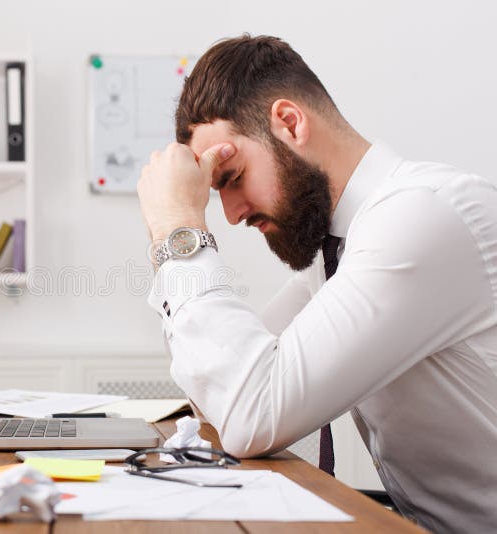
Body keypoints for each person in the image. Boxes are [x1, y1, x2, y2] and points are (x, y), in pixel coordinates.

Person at [137, 34, 497, 533]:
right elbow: (217, 397)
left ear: (289, 123)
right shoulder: (336, 251)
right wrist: (173, 234)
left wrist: (178, 225)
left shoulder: (421, 218)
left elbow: (249, 413)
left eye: (233, 176)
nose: (233, 213)